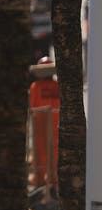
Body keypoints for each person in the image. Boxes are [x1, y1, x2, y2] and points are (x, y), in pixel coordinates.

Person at [29, 56, 59, 192]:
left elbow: (32, 107)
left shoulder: (35, 87)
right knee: (56, 153)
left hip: (40, 125)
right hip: (57, 124)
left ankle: (40, 183)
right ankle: (55, 181)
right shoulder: (58, 86)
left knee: (40, 154)